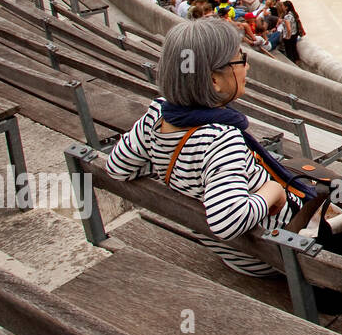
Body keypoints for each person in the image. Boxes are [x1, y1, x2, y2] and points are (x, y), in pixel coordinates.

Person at [107, 18, 298, 276]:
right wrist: (273, 191)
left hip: (234, 255)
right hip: (274, 256)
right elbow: (228, 220)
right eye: (239, 60)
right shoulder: (221, 139)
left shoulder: (157, 115)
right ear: (214, 81)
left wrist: (176, 167)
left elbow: (118, 167)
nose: (247, 66)